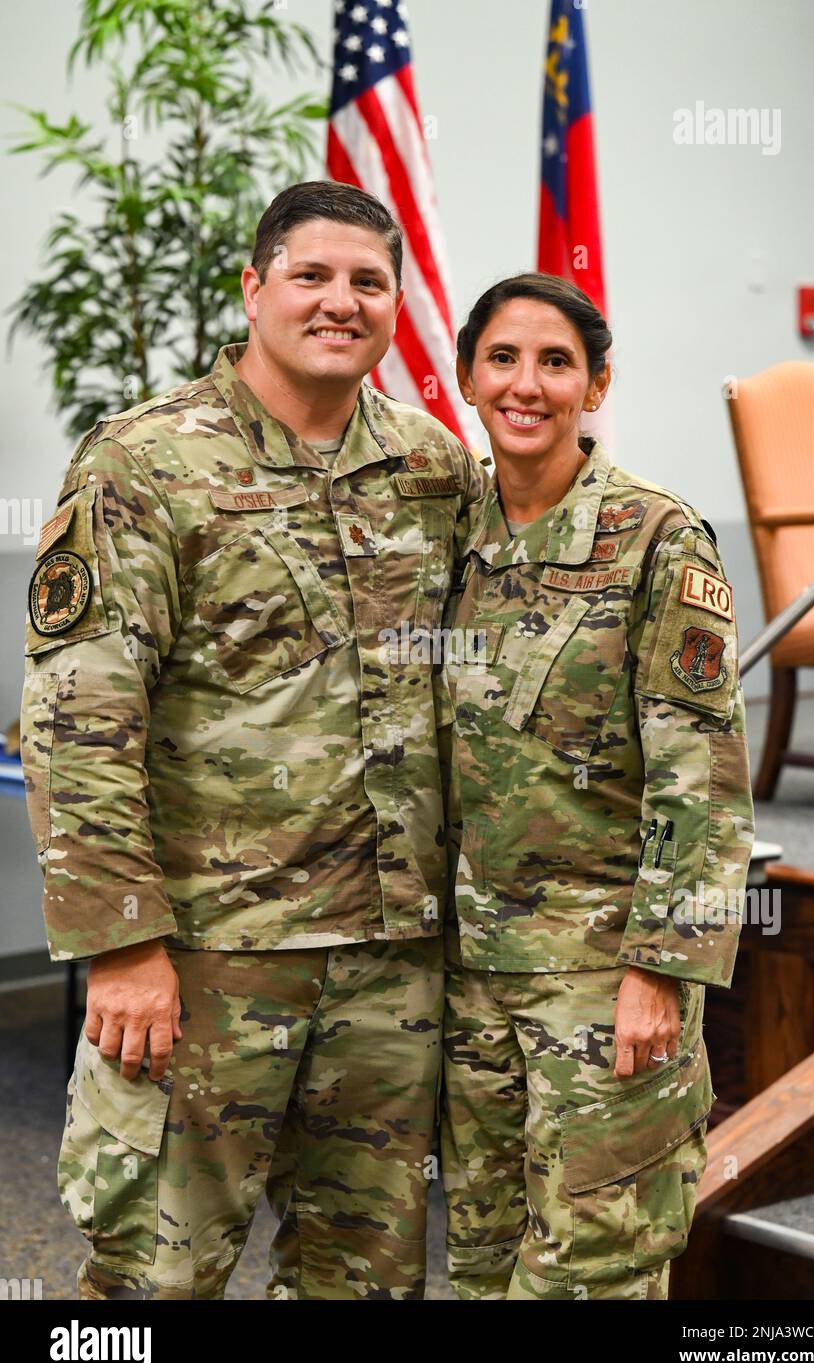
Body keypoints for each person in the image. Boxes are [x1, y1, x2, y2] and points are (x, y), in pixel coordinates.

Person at [20, 179, 488, 1300]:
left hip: (390, 958)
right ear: (254, 286)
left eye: (367, 281)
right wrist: (123, 946)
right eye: (311, 275)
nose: (340, 301)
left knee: (366, 1273)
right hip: (211, 956)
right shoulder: (143, 461)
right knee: (154, 1274)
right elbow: (80, 716)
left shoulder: (432, 467)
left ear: (395, 299)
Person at [440, 272, 755, 1300]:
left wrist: (661, 970)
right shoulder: (449, 537)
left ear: (597, 382)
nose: (527, 384)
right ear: (468, 378)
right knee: (485, 1260)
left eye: (556, 362)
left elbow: (701, 781)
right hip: (472, 974)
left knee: (593, 1273)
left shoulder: (659, 540)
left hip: (603, 980)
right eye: (503, 358)